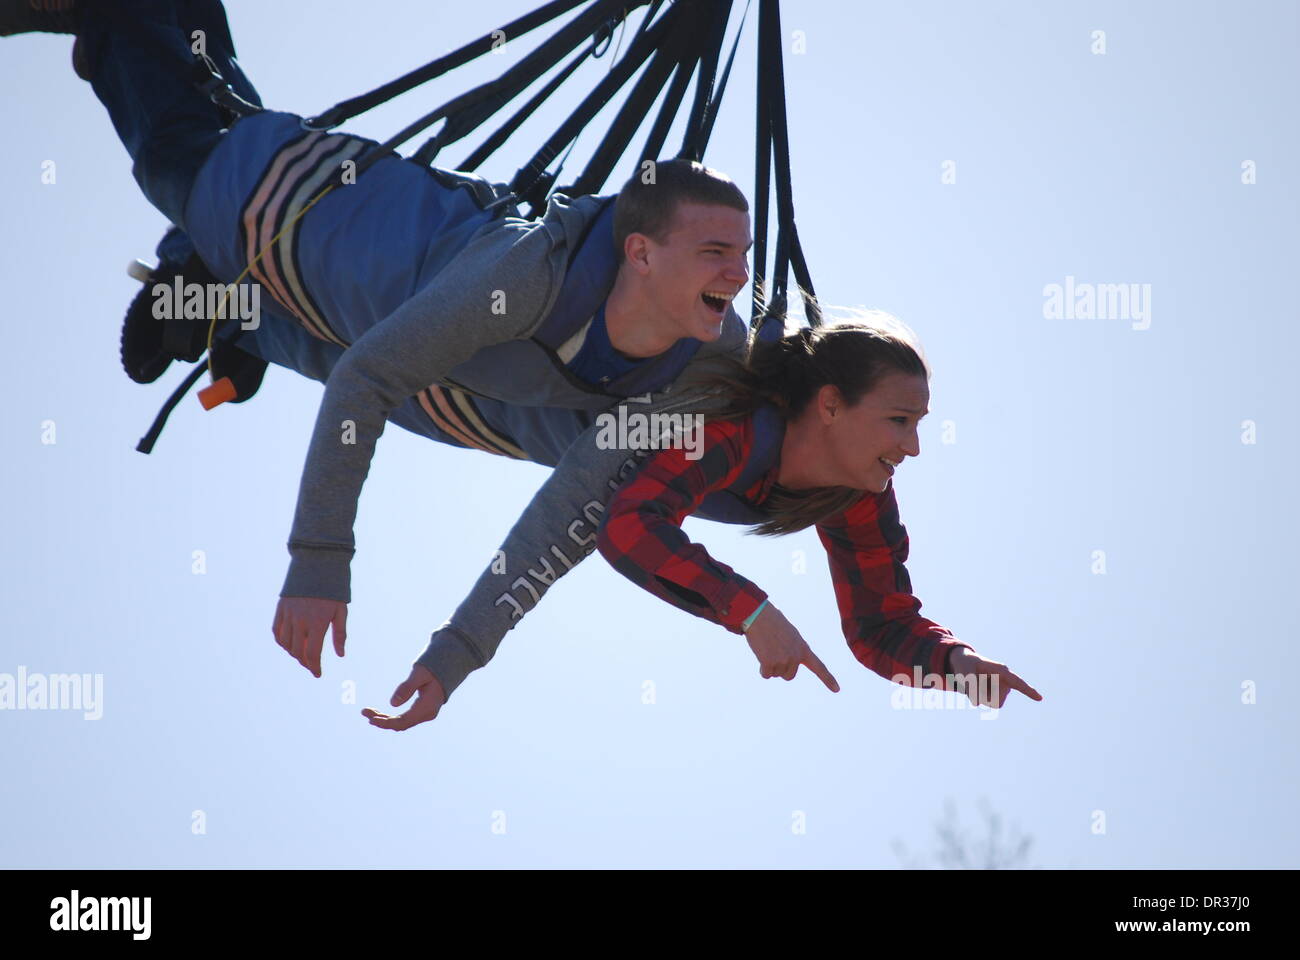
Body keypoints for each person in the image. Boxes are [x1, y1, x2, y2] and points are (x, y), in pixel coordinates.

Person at [5, 1, 764, 712]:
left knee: (211, 120)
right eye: (718, 254)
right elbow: (372, 381)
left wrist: (456, 649)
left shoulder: (653, 366)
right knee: (173, 129)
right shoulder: (538, 282)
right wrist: (321, 558)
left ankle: (207, 300)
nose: (737, 275)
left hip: (307, 261)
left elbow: (581, 504)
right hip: (284, 214)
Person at [360, 313, 1044, 731]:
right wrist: (752, 612)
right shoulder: (731, 428)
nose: (913, 447)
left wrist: (957, 664)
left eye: (919, 425)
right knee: (323, 334)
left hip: (456, 411)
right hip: (478, 370)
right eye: (899, 421)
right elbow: (628, 527)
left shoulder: (858, 493)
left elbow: (880, 624)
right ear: (830, 405)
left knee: (336, 355)